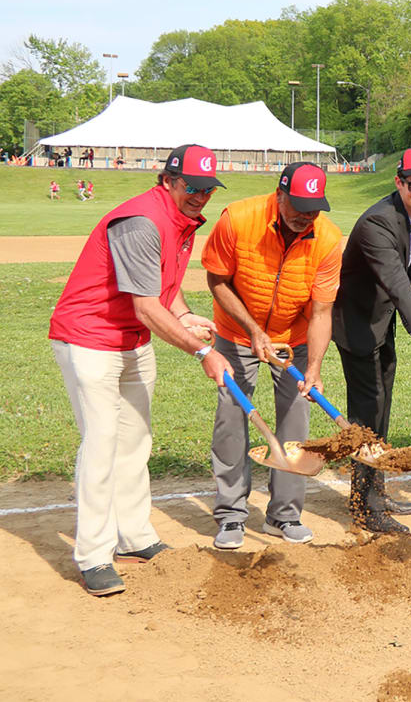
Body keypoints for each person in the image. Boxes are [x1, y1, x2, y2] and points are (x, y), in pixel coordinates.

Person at [48, 144, 232, 596]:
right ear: (168, 180)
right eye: (192, 186)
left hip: (132, 342)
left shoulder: (182, 221)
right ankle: (93, 555)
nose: (200, 196)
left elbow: (164, 291)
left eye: (208, 188)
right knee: (103, 440)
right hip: (89, 338)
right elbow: (146, 305)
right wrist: (201, 352)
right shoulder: (141, 220)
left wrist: (186, 316)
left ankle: (134, 537)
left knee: (136, 440)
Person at [201, 162, 340, 549]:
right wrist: (253, 331)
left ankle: (284, 516)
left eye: (314, 209)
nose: (305, 217)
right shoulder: (238, 219)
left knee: (296, 421)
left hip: (294, 337)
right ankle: (231, 515)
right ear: (279, 195)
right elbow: (217, 280)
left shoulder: (328, 239)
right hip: (236, 332)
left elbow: (322, 311)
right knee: (232, 418)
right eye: (297, 207)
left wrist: (313, 369)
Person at [333, 147, 411, 534]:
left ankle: (376, 490)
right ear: (399, 182)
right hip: (358, 323)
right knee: (368, 410)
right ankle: (364, 505)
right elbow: (396, 284)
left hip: (385, 322)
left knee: (381, 407)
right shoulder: (376, 223)